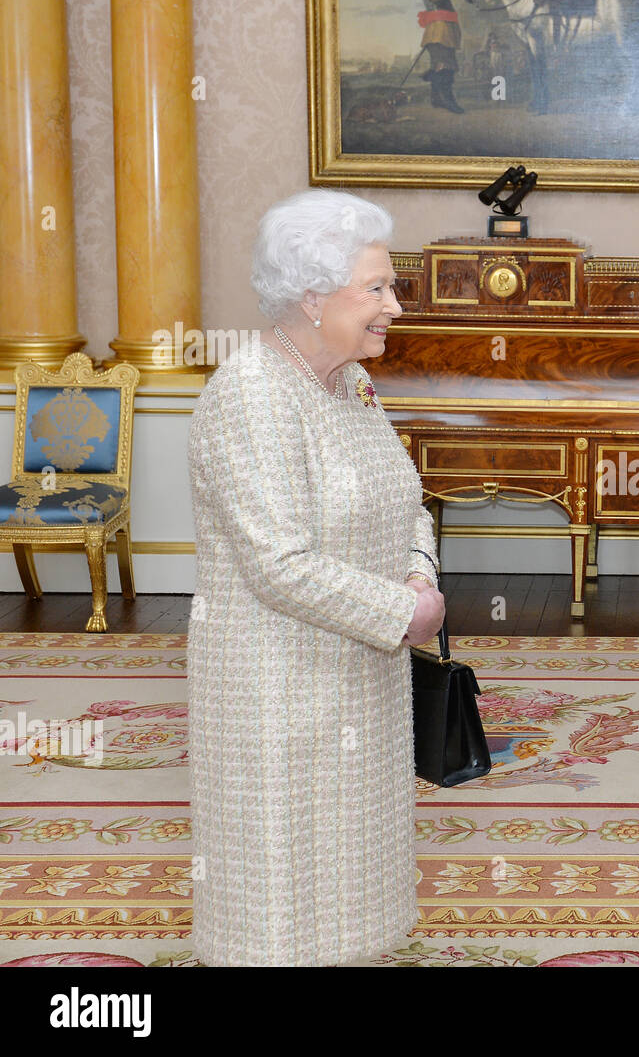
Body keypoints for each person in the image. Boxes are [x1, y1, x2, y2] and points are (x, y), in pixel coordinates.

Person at [186, 189, 446, 966]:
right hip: (276, 688)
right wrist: (404, 613)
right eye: (378, 289)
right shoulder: (251, 395)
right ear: (310, 297)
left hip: (360, 677)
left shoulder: (348, 383)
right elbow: (279, 563)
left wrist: (417, 572)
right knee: (284, 892)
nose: (395, 307)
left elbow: (409, 500)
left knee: (355, 876)